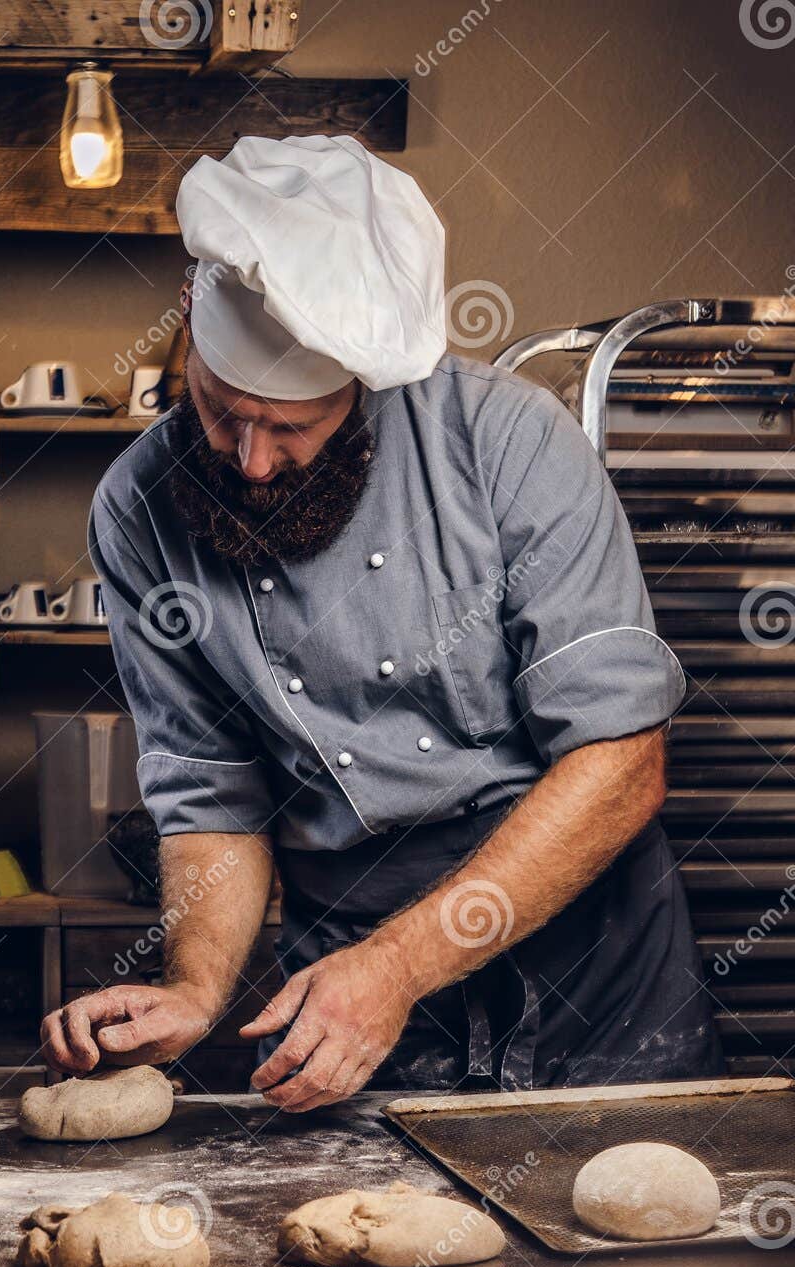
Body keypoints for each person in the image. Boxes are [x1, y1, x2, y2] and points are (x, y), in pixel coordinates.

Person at [42, 135, 717, 1108]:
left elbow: (618, 769)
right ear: (187, 324)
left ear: (362, 387)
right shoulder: (136, 507)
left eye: (292, 431)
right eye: (222, 413)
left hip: (592, 982)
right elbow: (210, 789)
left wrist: (398, 968)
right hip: (344, 992)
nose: (252, 463)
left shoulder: (510, 444)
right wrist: (196, 987)